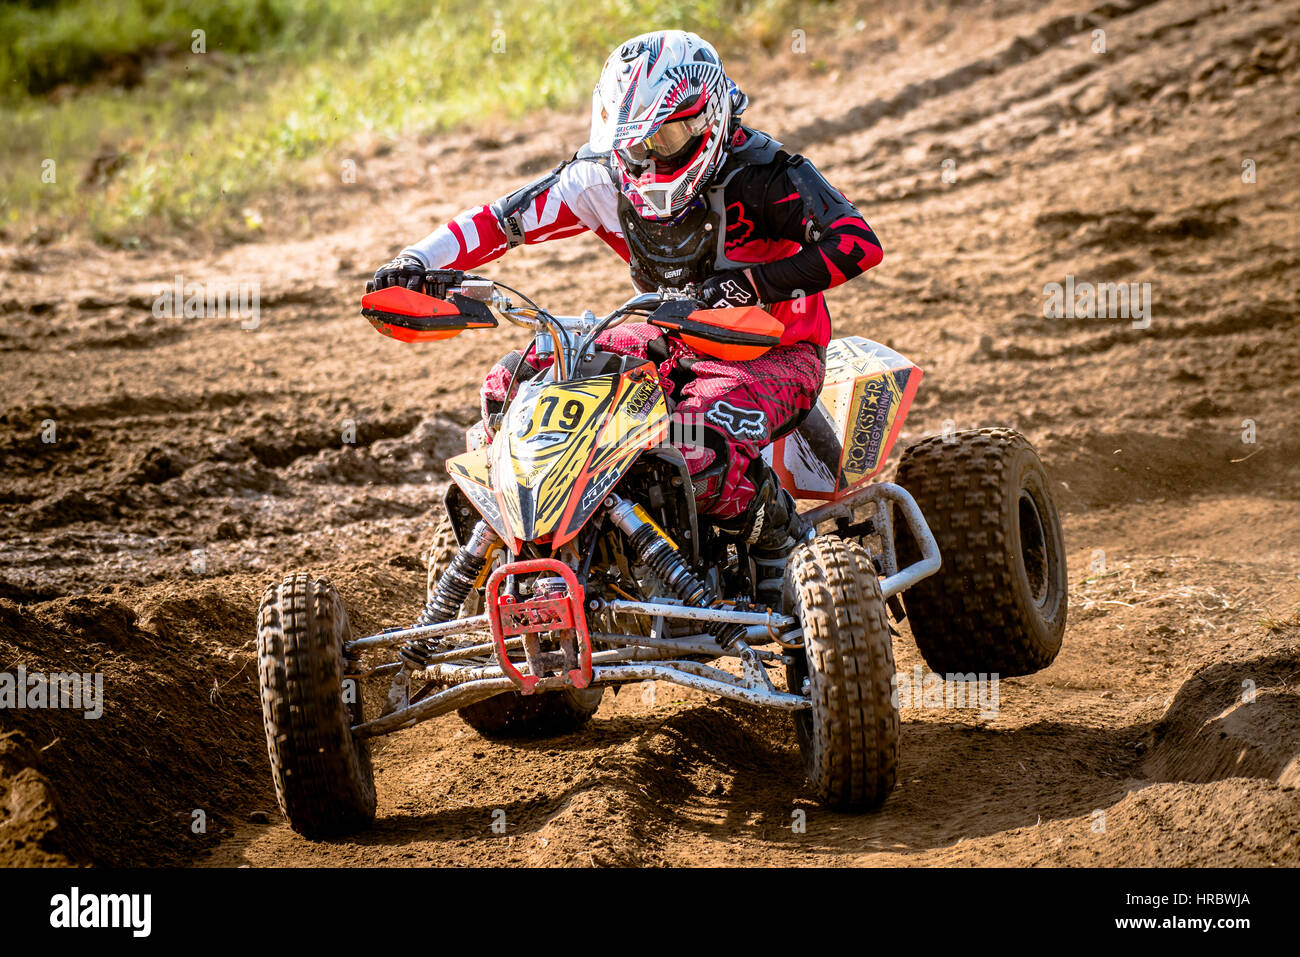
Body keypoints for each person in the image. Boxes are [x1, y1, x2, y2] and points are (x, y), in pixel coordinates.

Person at [373, 29, 883, 601]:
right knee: (509, 384)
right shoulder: (602, 175)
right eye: (637, 143)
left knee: (698, 442)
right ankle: (546, 543)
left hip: (777, 351)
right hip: (664, 336)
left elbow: (857, 242)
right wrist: (415, 261)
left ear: (706, 120)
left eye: (664, 137)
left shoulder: (764, 174)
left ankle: (779, 549)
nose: (650, 157)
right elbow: (498, 222)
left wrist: (750, 284)